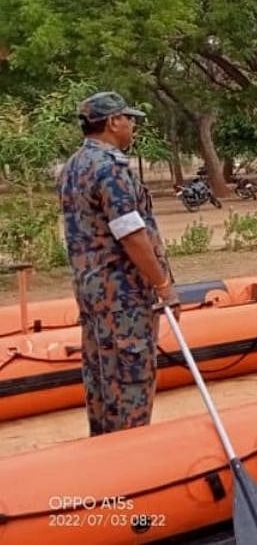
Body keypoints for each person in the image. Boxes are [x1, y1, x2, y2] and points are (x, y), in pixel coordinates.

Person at [59, 91, 180, 436]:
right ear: (113, 122)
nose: (132, 127)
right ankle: (130, 456)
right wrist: (163, 285)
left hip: (92, 290)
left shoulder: (74, 167)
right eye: (129, 120)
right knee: (130, 377)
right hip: (123, 294)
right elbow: (131, 233)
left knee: (100, 373)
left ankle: (105, 451)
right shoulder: (109, 168)